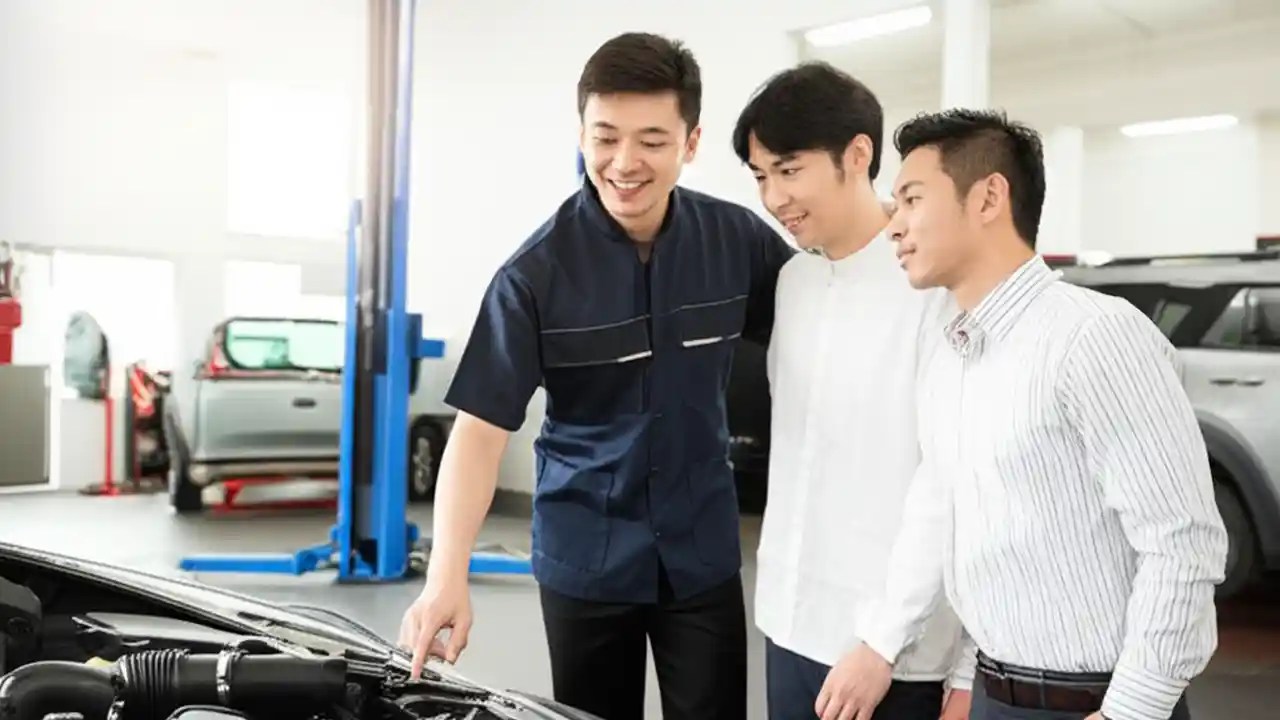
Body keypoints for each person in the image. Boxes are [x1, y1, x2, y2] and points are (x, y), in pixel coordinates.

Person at [397, 32, 795, 720]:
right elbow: (479, 434)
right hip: (586, 556)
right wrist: (445, 576)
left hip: (700, 555)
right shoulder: (533, 276)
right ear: (581, 135)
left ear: (691, 143)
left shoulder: (738, 243)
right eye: (606, 137)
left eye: (652, 140)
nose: (625, 162)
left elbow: (821, 321)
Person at [814, 108, 1230, 720]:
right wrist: (961, 675)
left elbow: (1182, 541)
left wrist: (1131, 711)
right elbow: (969, 529)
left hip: (1098, 701)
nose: (893, 226)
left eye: (912, 199)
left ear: (988, 197)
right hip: (994, 693)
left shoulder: (1093, 336)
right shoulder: (952, 355)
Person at [731, 62, 973, 720]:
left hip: (890, 652)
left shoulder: (932, 287)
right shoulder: (794, 283)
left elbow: (951, 483)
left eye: (789, 169)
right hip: (789, 623)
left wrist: (884, 643)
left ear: (858, 155)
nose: (774, 197)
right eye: (760, 176)